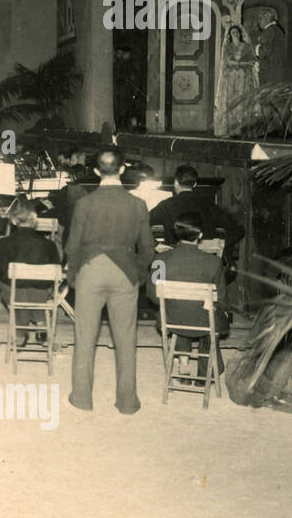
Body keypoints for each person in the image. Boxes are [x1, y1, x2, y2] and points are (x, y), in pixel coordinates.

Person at [64, 147, 154, 414]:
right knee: (126, 339)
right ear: (123, 168)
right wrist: (137, 273)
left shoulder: (84, 203)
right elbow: (148, 249)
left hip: (91, 270)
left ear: (95, 171)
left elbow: (72, 247)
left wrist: (74, 276)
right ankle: (127, 403)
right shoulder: (137, 204)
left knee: (84, 337)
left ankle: (81, 398)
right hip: (124, 271)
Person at [147, 212, 229, 378]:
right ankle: (205, 372)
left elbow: (152, 294)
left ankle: (183, 363)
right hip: (204, 322)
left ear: (176, 234)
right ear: (200, 235)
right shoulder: (214, 262)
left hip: (172, 320)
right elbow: (222, 299)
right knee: (209, 311)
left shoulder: (159, 259)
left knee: (182, 307)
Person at [0, 201, 61, 347]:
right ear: (35, 221)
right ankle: (41, 321)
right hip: (41, 294)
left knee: (17, 290)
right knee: (32, 290)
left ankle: (21, 332)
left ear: (14, 221)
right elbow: (56, 270)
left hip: (14, 293)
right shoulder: (49, 245)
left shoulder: (4, 243)